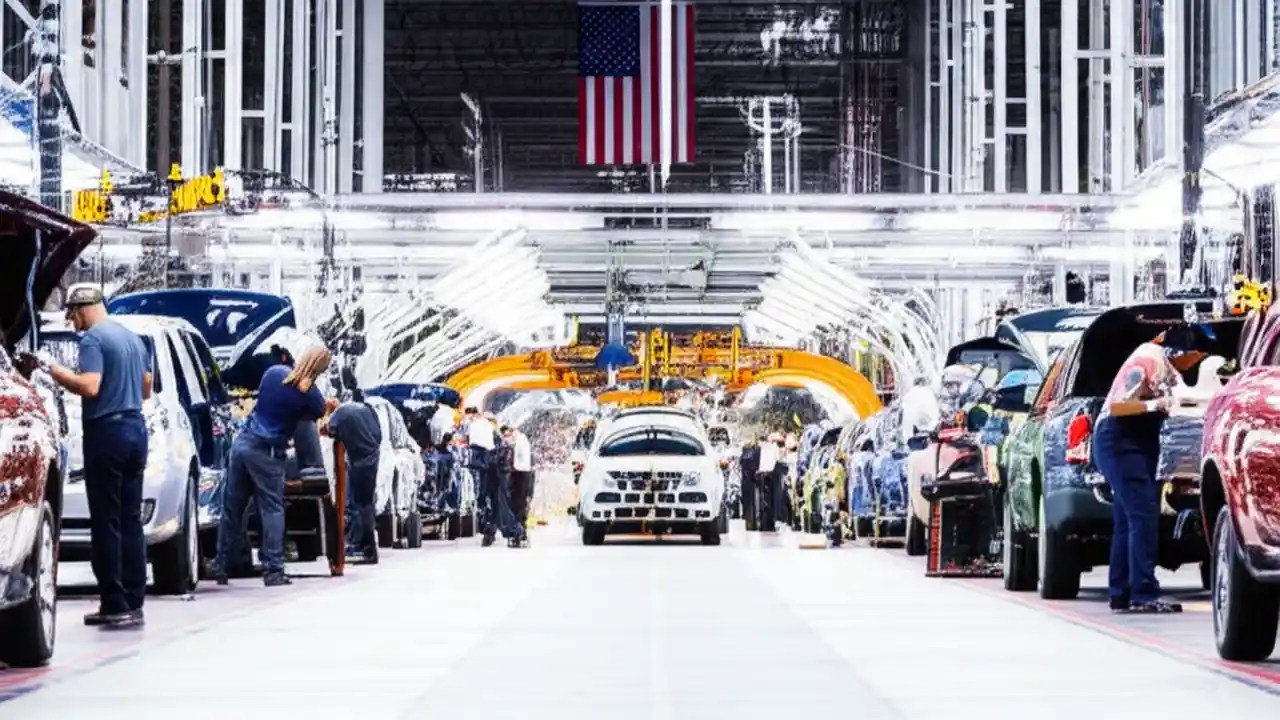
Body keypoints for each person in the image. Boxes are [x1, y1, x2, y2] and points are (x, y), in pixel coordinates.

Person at [23, 284, 151, 628]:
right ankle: (134, 599)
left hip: (107, 433)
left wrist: (51, 369)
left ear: (83, 309)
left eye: (73, 315)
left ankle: (113, 602)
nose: (74, 323)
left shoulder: (94, 339)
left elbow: (91, 386)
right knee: (130, 518)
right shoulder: (132, 338)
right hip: (136, 429)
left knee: (106, 520)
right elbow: (146, 387)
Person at [1092, 326, 1207, 614]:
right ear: (1182, 352)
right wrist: (1158, 404)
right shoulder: (1150, 358)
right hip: (1120, 441)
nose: (1195, 364)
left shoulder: (1166, 367)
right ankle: (1143, 593)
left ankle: (1121, 593)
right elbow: (1120, 406)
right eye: (1195, 357)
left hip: (1132, 442)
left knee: (1127, 520)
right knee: (1143, 515)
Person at [215, 346, 331, 586]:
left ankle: (221, 566)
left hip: (242, 444)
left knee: (233, 509)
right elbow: (319, 412)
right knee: (272, 509)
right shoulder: (309, 392)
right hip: (267, 453)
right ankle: (273, 571)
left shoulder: (273, 373)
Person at [322, 390, 383, 563]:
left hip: (359, 461)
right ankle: (367, 548)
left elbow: (327, 430)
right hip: (372, 455)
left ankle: (364, 548)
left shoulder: (338, 415)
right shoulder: (366, 408)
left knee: (359, 505)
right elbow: (379, 433)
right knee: (367, 503)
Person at [502, 425, 534, 548]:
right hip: (516, 476)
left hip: (520, 476)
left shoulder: (521, 442)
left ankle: (520, 532)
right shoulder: (514, 444)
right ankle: (518, 532)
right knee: (515, 505)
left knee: (519, 505)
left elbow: (522, 463)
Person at [756, 433, 780, 531]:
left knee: (763, 499)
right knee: (771, 499)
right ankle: (769, 523)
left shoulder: (761, 448)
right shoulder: (773, 447)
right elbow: (777, 459)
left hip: (762, 474)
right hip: (771, 474)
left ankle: (763, 524)